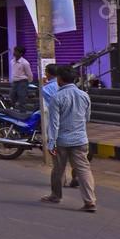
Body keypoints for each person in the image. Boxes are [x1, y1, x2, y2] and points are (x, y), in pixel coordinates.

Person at [41, 65, 96, 212]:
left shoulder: (57, 97)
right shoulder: (84, 96)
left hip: (62, 140)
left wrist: (51, 143)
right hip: (80, 139)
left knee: (58, 169)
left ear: (59, 79)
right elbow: (87, 118)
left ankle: (56, 195)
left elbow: (54, 123)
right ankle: (90, 201)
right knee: (84, 170)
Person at [11, 46, 33, 110]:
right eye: (14, 51)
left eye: (16, 51)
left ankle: (23, 113)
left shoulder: (25, 63)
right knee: (12, 97)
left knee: (22, 98)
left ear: (21, 53)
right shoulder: (12, 61)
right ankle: (12, 111)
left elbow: (29, 74)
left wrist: (28, 82)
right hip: (15, 82)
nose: (14, 53)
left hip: (22, 82)